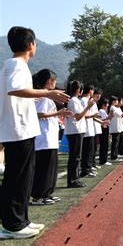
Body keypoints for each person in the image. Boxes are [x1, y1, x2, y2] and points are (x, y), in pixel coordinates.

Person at [0, 27, 69, 239]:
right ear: (31, 45)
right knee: (18, 178)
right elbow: (14, 89)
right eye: (36, 43)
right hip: (18, 130)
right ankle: (13, 225)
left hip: (19, 129)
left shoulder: (12, 65)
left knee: (22, 177)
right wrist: (48, 92)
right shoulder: (16, 65)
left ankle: (20, 221)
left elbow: (16, 93)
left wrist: (36, 96)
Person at [31, 69, 72, 206]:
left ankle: (47, 193)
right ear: (49, 81)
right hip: (44, 138)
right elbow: (38, 114)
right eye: (54, 81)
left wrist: (59, 113)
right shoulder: (43, 97)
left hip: (50, 138)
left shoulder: (47, 97)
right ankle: (38, 196)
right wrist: (57, 113)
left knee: (50, 168)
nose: (55, 83)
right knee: (44, 168)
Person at [65, 80, 95, 188]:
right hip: (75, 131)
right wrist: (88, 106)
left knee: (77, 156)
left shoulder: (74, 100)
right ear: (78, 90)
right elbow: (78, 116)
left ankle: (75, 178)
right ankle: (73, 180)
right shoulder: (73, 101)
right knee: (75, 156)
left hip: (76, 130)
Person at [80, 84, 97, 178]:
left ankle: (88, 169)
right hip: (86, 129)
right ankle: (85, 170)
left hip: (90, 129)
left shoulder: (88, 100)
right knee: (86, 151)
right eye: (93, 91)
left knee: (90, 151)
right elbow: (83, 115)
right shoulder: (83, 100)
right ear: (90, 91)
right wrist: (93, 115)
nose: (93, 93)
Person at [109, 96, 123, 162]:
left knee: (117, 142)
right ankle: (113, 156)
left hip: (118, 127)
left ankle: (116, 155)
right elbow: (120, 114)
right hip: (115, 127)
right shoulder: (112, 107)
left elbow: (121, 115)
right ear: (113, 101)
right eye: (116, 101)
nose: (117, 102)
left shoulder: (116, 107)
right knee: (115, 143)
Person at [98, 98, 112, 166]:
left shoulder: (103, 111)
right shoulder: (101, 111)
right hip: (103, 129)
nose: (108, 105)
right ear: (104, 104)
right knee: (104, 145)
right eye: (107, 104)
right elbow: (103, 119)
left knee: (105, 145)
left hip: (105, 128)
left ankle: (104, 160)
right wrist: (110, 115)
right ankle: (103, 160)